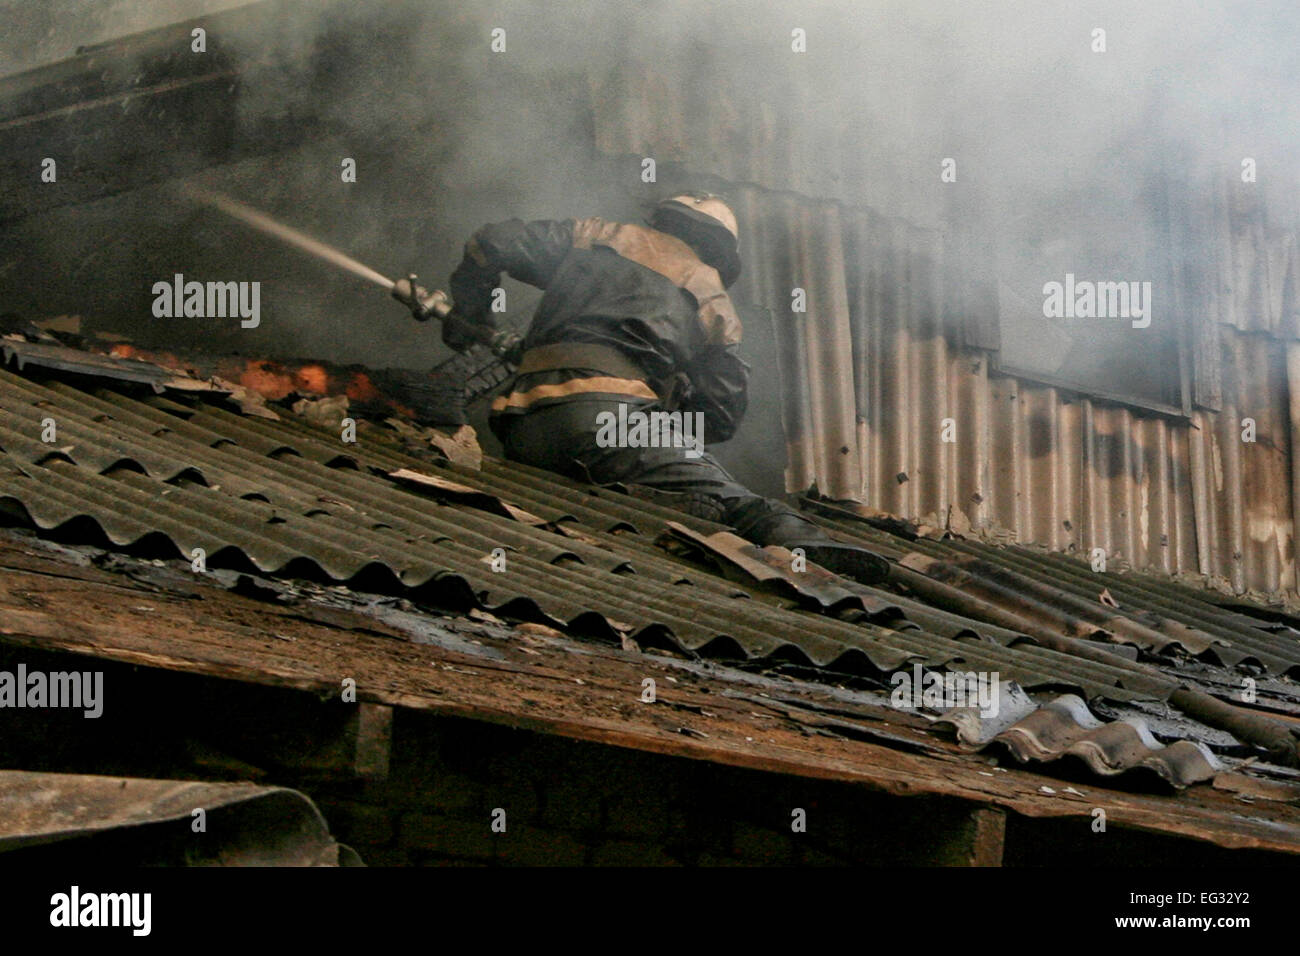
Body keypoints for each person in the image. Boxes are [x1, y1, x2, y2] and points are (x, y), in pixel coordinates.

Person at [439, 192, 888, 584]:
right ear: (720, 250)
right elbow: (720, 416)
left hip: (521, 426)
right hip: (613, 431)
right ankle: (832, 563)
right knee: (739, 505)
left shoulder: (594, 233)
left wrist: (473, 316)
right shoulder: (708, 289)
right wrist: (668, 401)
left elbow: (489, 242)